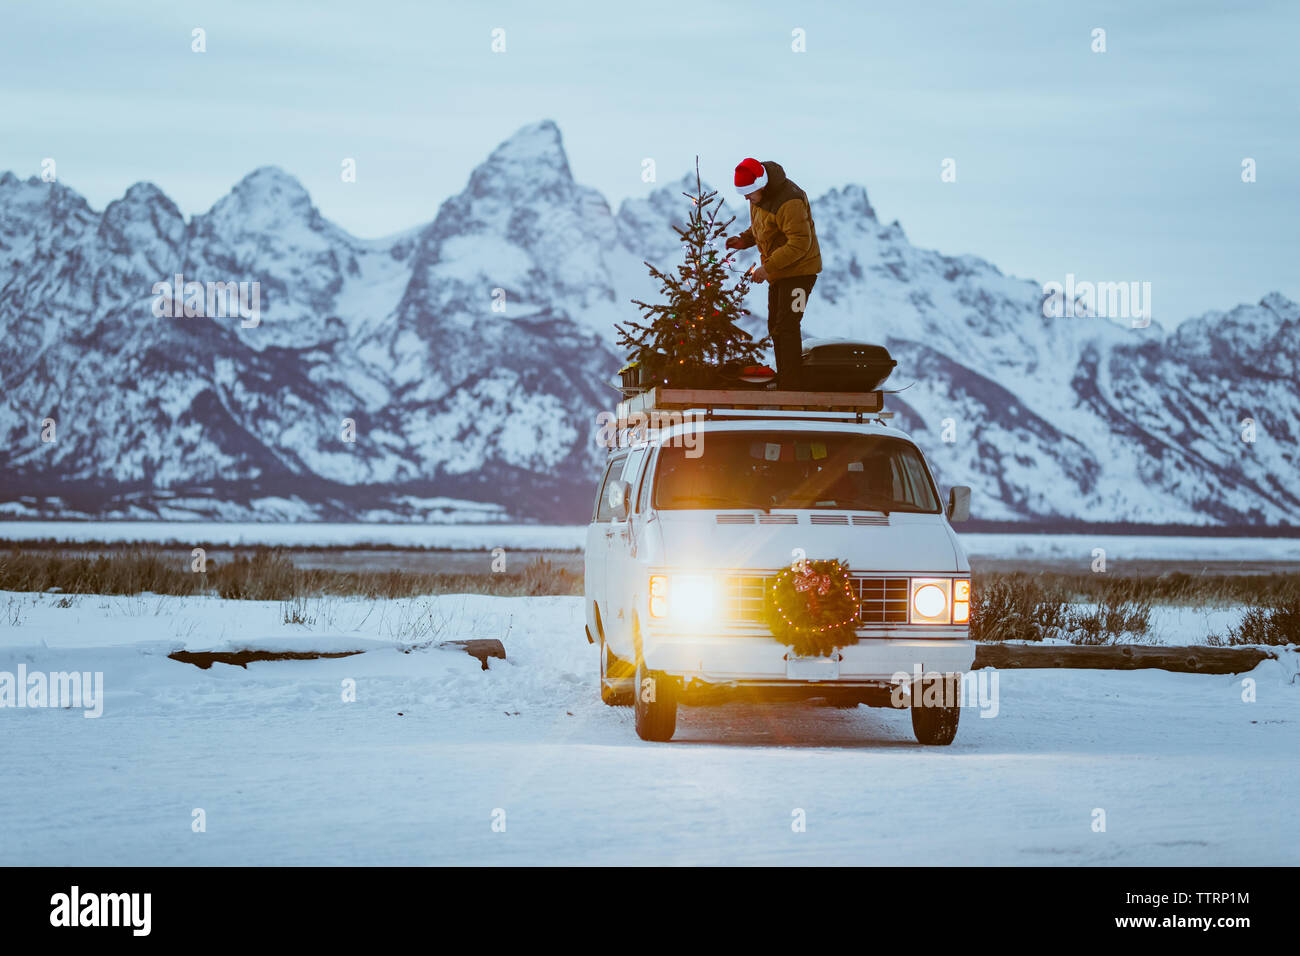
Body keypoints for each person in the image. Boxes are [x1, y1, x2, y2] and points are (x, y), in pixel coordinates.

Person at [725, 157, 822, 390]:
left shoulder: (790, 201)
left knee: (787, 324)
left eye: (749, 193)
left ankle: (792, 384)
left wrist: (767, 268)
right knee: (776, 327)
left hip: (800, 273)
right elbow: (763, 226)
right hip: (780, 272)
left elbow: (800, 243)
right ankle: (786, 378)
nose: (746, 198)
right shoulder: (760, 196)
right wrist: (744, 240)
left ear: (761, 184)